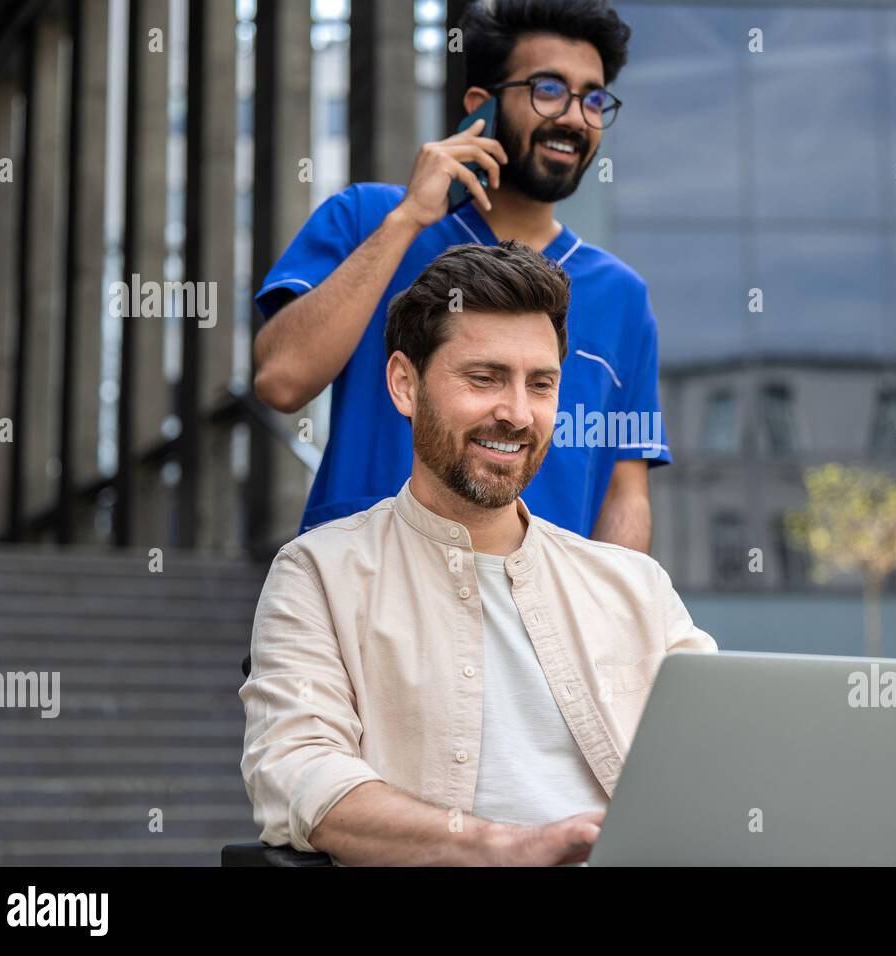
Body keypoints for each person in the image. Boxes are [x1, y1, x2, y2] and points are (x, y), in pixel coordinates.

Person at [239, 242, 717, 867]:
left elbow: (721, 758)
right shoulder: (318, 575)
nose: (516, 413)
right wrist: (511, 846)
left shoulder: (636, 585)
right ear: (405, 384)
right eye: (484, 378)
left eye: (540, 385)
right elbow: (297, 775)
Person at [252, 0, 667, 550]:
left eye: (592, 99)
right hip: (365, 590)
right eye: (548, 90)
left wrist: (619, 616)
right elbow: (281, 380)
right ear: (482, 107)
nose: (573, 116)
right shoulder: (369, 219)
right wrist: (408, 220)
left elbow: (625, 490)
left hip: (531, 619)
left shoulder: (622, 296)